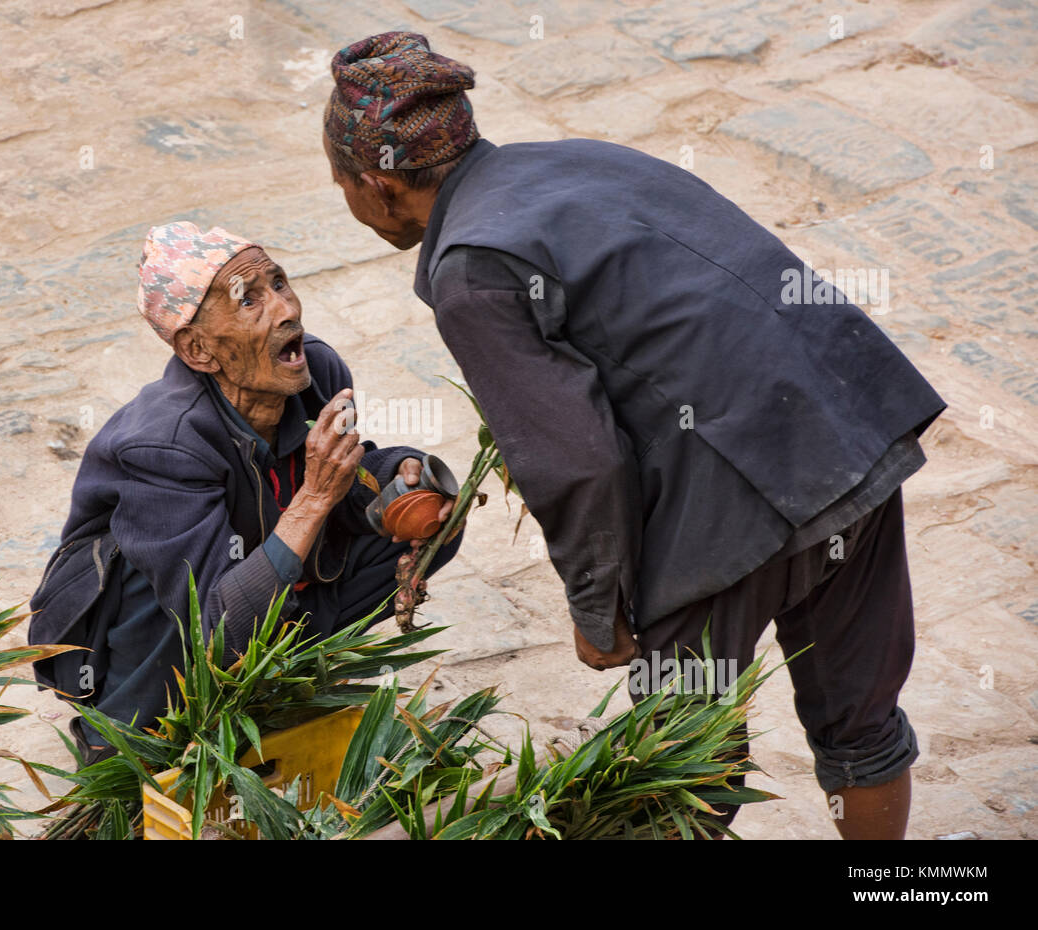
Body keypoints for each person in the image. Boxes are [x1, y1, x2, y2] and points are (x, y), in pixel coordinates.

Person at [322, 32, 947, 839]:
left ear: (376, 184)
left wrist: (597, 607)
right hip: (843, 429)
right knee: (860, 721)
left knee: (682, 757)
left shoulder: (472, 268)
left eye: (340, 184)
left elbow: (574, 458)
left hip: (731, 498)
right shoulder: (580, 160)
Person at [28, 221, 462, 763]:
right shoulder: (162, 443)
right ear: (198, 349)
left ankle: (283, 680)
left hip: (257, 576)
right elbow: (215, 626)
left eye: (279, 284)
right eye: (249, 300)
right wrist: (313, 499)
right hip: (156, 620)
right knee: (168, 590)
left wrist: (395, 476)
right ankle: (124, 734)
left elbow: (341, 482)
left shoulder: (314, 368)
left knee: (429, 526)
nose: (286, 310)